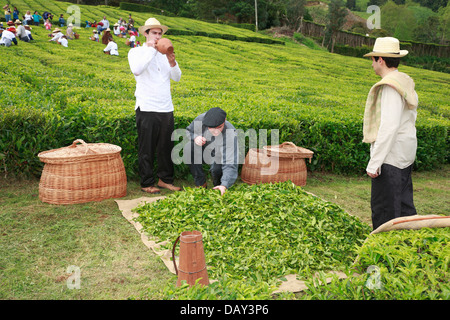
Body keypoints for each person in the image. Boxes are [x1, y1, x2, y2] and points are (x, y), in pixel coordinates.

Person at [362, 37, 419, 230]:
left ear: (381, 60)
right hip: (405, 154)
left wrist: (375, 162)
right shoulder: (404, 82)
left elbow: (389, 127)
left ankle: (385, 255)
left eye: (373, 59)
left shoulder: (390, 87)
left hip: (391, 158)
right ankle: (410, 250)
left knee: (385, 211)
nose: (372, 64)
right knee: (404, 209)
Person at [128, 18, 182, 194]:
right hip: (147, 106)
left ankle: (165, 180)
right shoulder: (136, 52)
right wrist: (152, 50)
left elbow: (177, 77)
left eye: (160, 33)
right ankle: (146, 182)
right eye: (154, 33)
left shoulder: (165, 55)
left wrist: (172, 61)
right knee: (147, 148)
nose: (158, 37)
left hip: (166, 107)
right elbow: (137, 69)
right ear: (146, 34)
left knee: (166, 147)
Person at [184, 107, 239, 195]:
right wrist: (195, 137)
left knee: (216, 169)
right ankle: (201, 183)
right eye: (212, 128)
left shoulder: (230, 134)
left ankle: (219, 186)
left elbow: (230, 163)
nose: (216, 132)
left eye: (219, 127)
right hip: (204, 151)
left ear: (224, 120)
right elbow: (188, 131)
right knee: (189, 147)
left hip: (220, 156)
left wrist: (224, 184)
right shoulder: (200, 119)